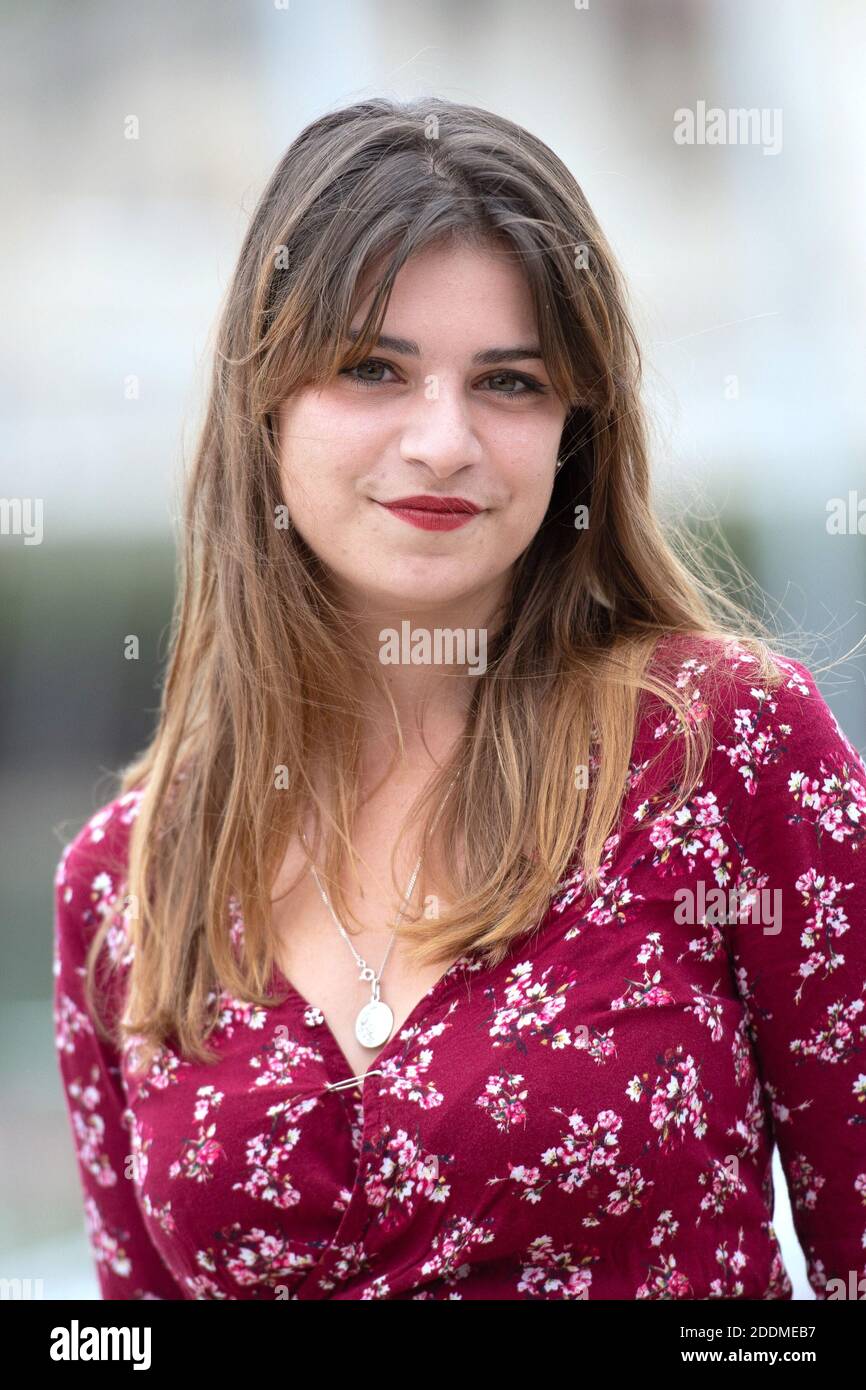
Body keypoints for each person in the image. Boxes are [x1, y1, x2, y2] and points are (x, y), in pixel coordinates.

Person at [53, 96, 866, 1301]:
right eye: (373, 368)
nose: (443, 440)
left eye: (509, 381)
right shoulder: (126, 885)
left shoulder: (725, 751)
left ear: (570, 433)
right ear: (263, 403)